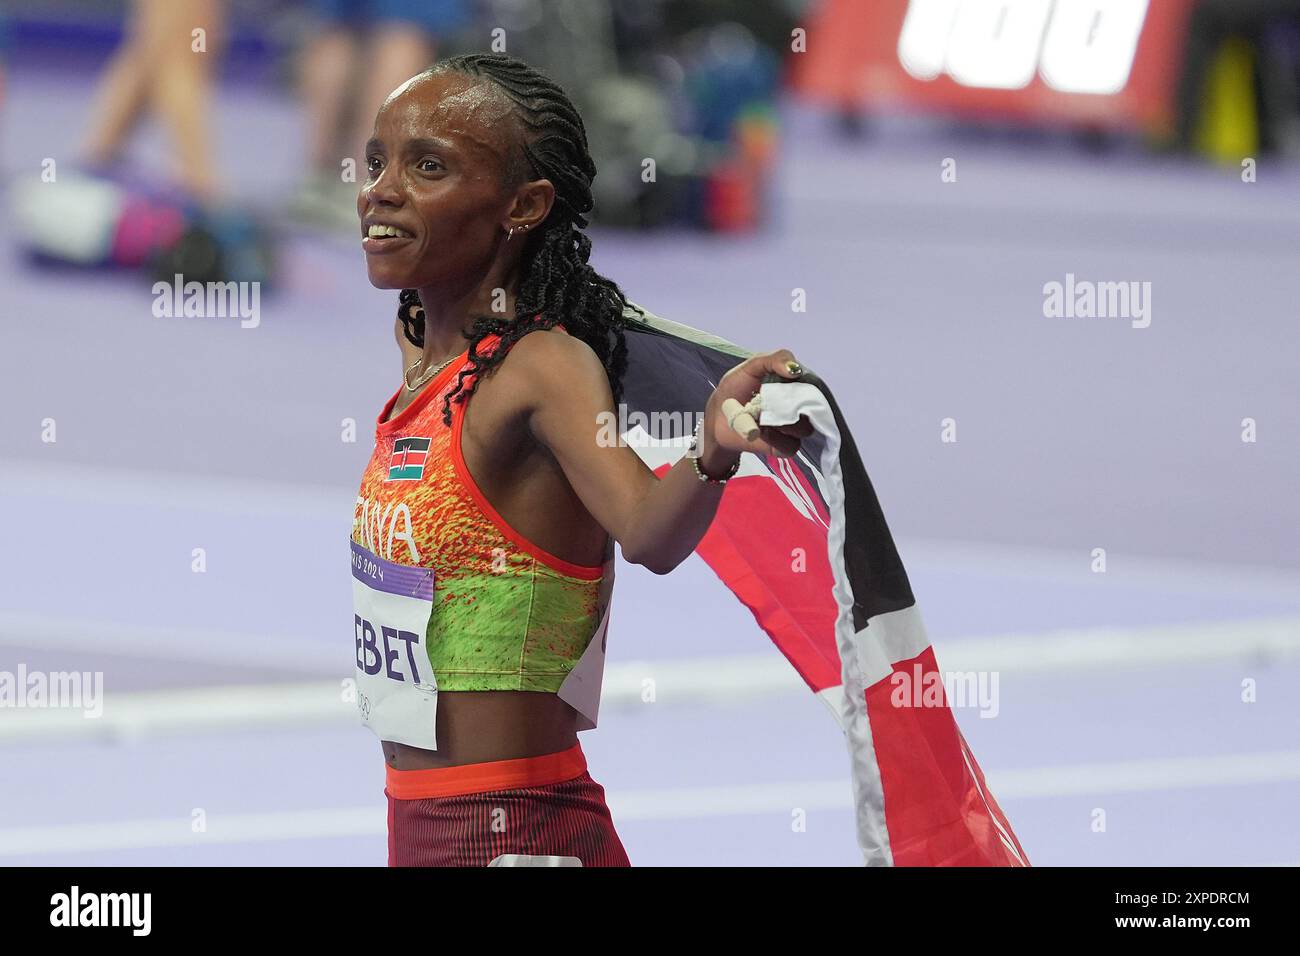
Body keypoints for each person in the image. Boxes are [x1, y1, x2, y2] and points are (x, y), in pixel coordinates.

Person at [351, 52, 810, 867]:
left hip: (518, 834)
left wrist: (711, 453)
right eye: (376, 160)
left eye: (428, 167)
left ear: (522, 206)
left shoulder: (544, 369)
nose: (380, 190)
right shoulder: (424, 352)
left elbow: (646, 533)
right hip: (417, 829)